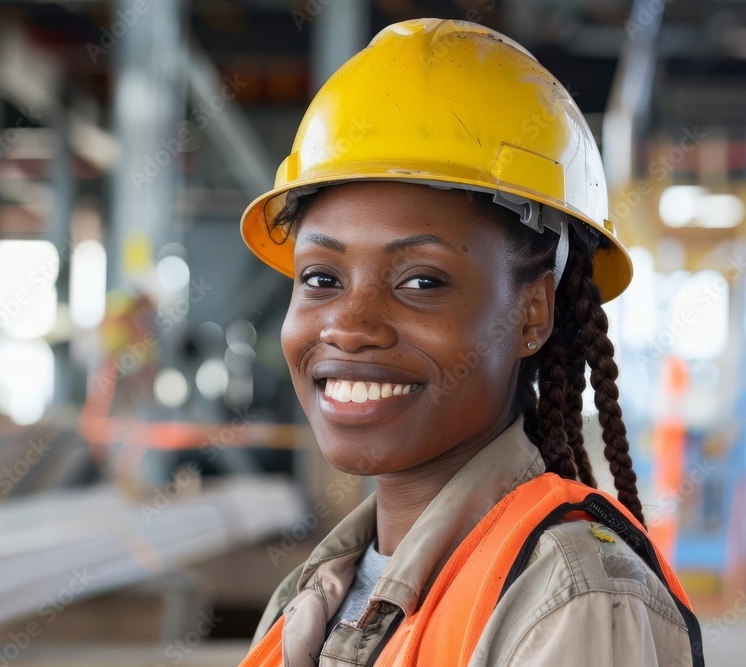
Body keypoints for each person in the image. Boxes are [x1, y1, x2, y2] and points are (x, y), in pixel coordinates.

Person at [237, 18, 704, 666]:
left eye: (422, 280)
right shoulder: (313, 598)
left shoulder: (572, 598)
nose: (349, 324)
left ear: (533, 313)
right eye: (321, 277)